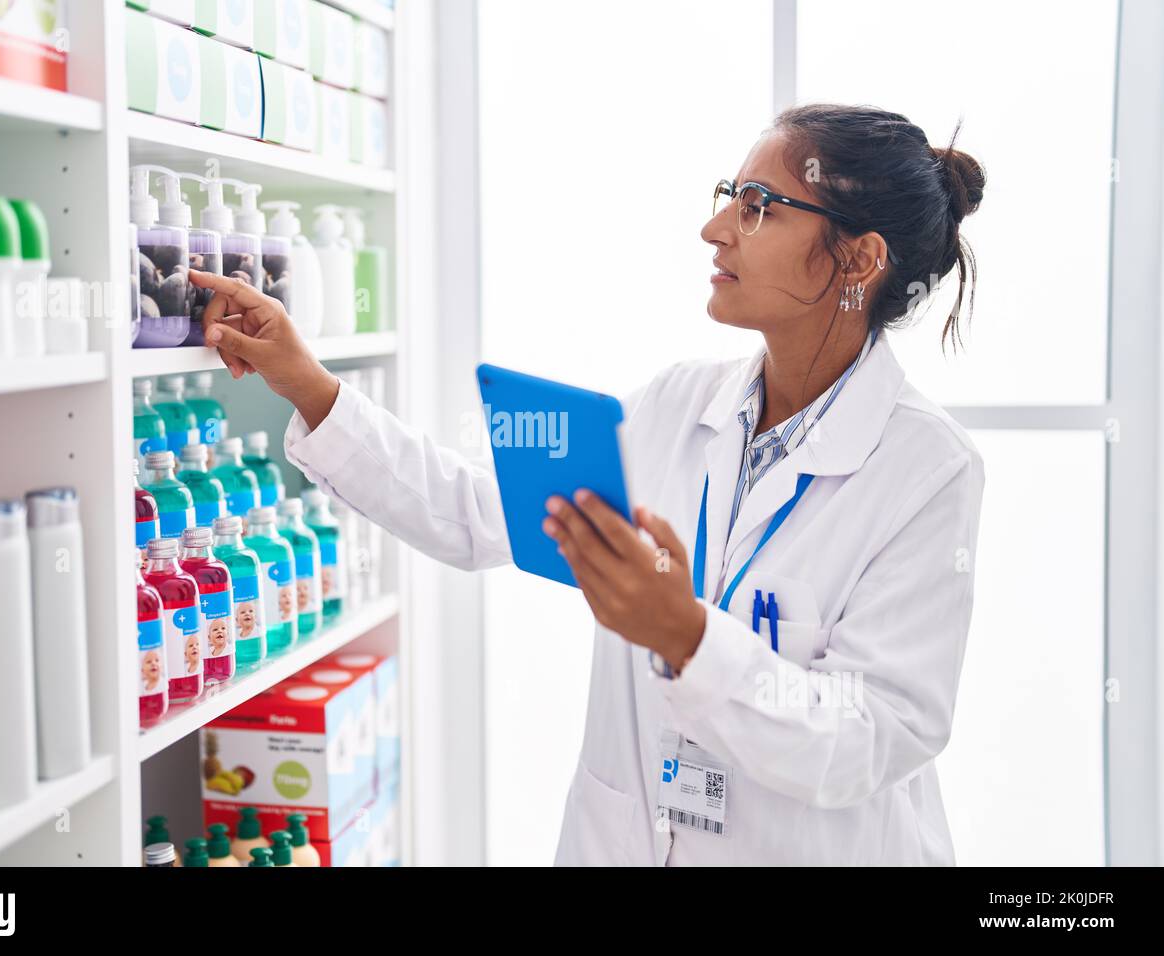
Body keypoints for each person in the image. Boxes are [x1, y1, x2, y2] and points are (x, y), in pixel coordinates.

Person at [187, 103, 987, 866]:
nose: (714, 230)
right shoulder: (678, 405)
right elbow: (473, 513)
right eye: (728, 199)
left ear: (858, 258)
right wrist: (308, 386)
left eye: (757, 208)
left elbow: (869, 738)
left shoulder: (926, 470)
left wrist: (688, 636)